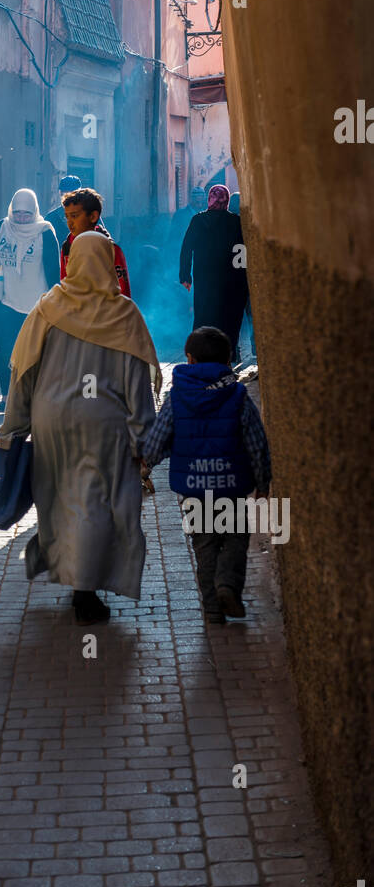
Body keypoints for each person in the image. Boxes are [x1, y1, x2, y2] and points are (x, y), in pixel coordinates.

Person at [0, 231, 161, 625]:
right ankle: (84, 592)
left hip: (51, 421)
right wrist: (144, 440)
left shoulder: (48, 308)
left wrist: (13, 426)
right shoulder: (124, 315)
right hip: (104, 425)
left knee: (63, 500)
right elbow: (138, 387)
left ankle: (72, 574)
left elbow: (23, 372)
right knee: (97, 505)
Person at [140, 326, 271, 625]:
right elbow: (255, 440)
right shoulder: (237, 395)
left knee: (205, 544)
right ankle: (227, 584)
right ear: (228, 360)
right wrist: (263, 482)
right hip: (231, 485)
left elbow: (160, 437)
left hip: (193, 488)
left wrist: (146, 463)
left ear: (189, 359)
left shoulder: (177, 398)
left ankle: (212, 609)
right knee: (236, 538)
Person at [0, 189, 60, 408]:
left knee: (34, 351)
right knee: (5, 349)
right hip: (5, 301)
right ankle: (6, 396)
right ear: (12, 210)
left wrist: (56, 300)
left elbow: (53, 270)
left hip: (37, 303)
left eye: (27, 214)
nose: (22, 218)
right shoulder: (1, 228)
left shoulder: (45, 232)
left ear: (35, 212)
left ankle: (33, 395)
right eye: (18, 212)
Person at [179, 183, 249, 360]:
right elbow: (241, 250)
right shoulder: (235, 221)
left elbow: (187, 248)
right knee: (229, 319)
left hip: (205, 280)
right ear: (226, 200)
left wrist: (185, 276)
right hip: (231, 281)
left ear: (210, 199)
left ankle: (201, 357)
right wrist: (243, 277)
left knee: (204, 316)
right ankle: (227, 356)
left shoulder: (198, 220)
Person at [59, 187, 131, 297]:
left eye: (74, 216)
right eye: (67, 217)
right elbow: (64, 285)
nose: (70, 223)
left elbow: (123, 293)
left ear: (93, 217)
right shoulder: (67, 247)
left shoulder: (111, 250)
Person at [46, 174, 82, 248]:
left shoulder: (89, 215)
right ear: (60, 193)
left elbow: (103, 239)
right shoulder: (51, 218)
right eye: (66, 194)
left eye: (73, 193)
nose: (70, 197)